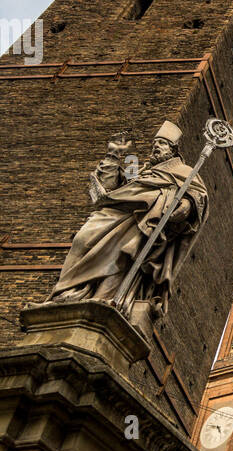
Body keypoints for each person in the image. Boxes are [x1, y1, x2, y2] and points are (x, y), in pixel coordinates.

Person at [49, 121, 208, 316]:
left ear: (173, 150)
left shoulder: (184, 171)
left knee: (123, 256)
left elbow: (199, 196)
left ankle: (101, 299)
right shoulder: (138, 169)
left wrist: (188, 203)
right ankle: (69, 290)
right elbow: (114, 188)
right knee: (81, 239)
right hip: (115, 213)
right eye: (155, 143)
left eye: (162, 143)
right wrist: (113, 156)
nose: (156, 146)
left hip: (141, 222)